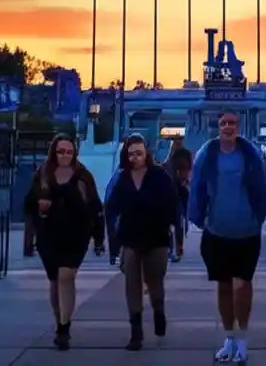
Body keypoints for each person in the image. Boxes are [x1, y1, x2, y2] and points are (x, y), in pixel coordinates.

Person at [188, 111, 266, 364]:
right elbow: (198, 187)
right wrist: (198, 216)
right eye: (223, 123)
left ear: (238, 126)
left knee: (242, 284)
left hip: (247, 231)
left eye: (232, 123)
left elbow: (262, 184)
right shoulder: (207, 154)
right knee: (224, 286)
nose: (227, 127)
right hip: (217, 231)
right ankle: (229, 337)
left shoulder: (250, 154)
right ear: (218, 126)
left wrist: (261, 214)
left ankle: (243, 338)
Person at [24, 134, 106, 351]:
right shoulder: (42, 173)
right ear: (54, 151)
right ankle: (59, 320)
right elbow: (28, 204)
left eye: (69, 152)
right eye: (61, 151)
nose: (65, 156)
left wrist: (99, 238)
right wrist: (39, 207)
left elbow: (96, 208)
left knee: (66, 276)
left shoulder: (83, 176)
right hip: (49, 234)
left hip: (76, 233)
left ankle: (65, 327)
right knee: (54, 280)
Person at [105, 134, 181, 351]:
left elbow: (174, 207)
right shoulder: (122, 179)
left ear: (146, 153)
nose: (135, 158)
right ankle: (135, 332)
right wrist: (113, 244)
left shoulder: (160, 177)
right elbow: (111, 209)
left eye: (138, 153)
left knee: (155, 282)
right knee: (132, 284)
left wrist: (177, 239)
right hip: (130, 238)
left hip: (157, 238)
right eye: (130, 154)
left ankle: (158, 311)